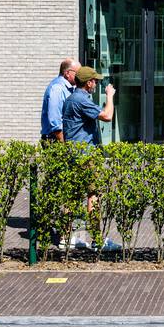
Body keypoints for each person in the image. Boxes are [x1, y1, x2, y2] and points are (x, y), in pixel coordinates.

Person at [61, 66, 119, 251]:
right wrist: (110, 96)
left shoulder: (70, 99)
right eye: (95, 81)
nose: (97, 84)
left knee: (71, 197)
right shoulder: (81, 100)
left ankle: (65, 238)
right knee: (93, 196)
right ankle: (97, 240)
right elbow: (107, 116)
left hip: (73, 154)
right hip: (85, 156)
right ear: (88, 83)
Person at [40, 57, 79, 142]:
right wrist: (63, 143)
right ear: (67, 73)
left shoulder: (68, 88)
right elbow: (55, 119)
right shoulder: (57, 88)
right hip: (55, 138)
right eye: (77, 73)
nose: (80, 76)